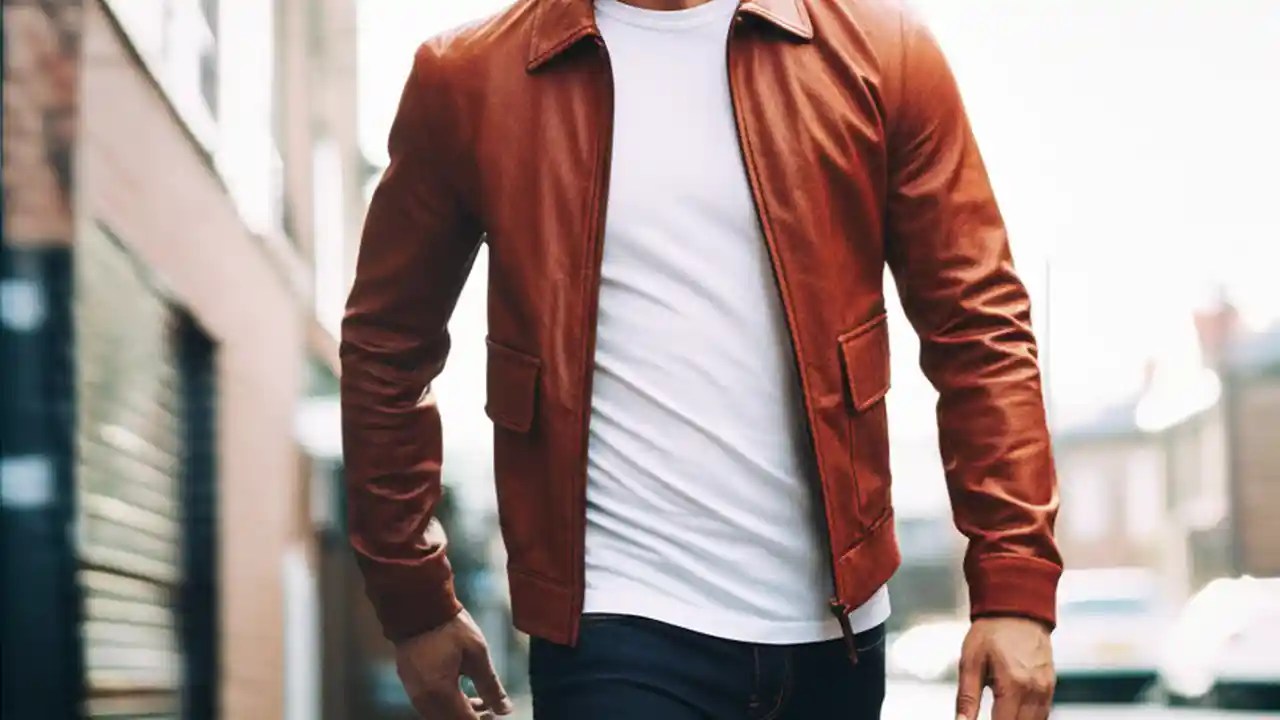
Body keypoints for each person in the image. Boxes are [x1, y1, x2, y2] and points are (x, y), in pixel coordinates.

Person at [341, 0, 1062, 718]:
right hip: (615, 629)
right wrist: (413, 597)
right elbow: (386, 346)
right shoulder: (470, 77)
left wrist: (1015, 583)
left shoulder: (882, 50)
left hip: (836, 639)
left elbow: (977, 325)